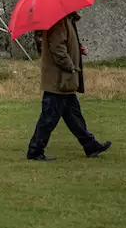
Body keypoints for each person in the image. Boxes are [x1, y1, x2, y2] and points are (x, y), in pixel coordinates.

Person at [27, 11, 112, 161]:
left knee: (74, 117)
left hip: (65, 81)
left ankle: (91, 146)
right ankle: (35, 151)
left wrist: (78, 49)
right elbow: (57, 49)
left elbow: (66, 44)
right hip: (58, 80)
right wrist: (71, 66)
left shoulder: (66, 20)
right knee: (49, 118)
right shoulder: (59, 22)